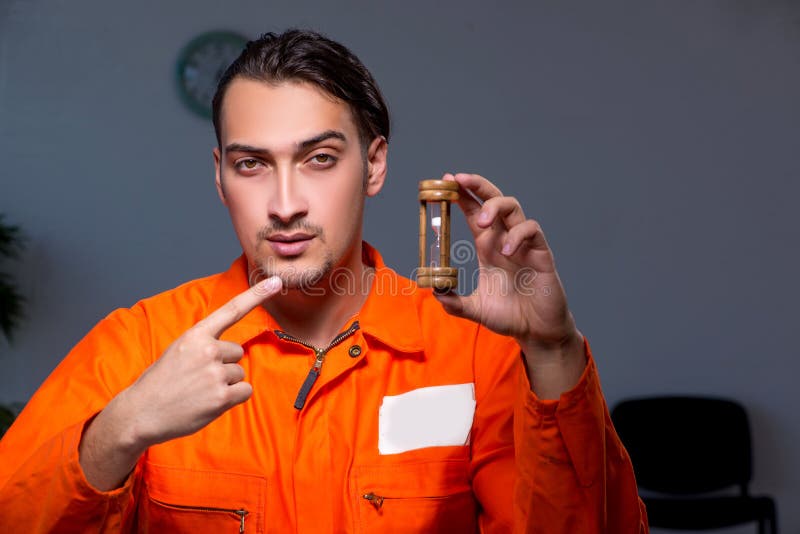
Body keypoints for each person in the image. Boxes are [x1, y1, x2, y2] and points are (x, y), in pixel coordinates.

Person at [0, 29, 648, 532]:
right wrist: (119, 431)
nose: (286, 202)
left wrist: (554, 350)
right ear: (219, 176)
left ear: (374, 166)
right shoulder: (138, 346)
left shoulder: (473, 354)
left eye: (319, 160)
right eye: (253, 164)